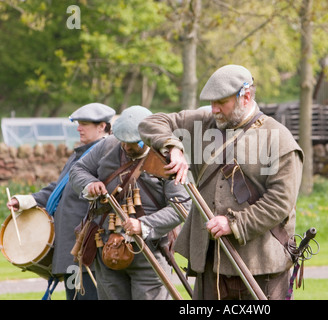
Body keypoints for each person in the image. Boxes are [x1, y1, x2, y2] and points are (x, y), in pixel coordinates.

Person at [138, 64, 304, 300]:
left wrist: (234, 224)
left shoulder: (278, 138)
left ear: (245, 96)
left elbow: (280, 201)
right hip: (209, 262)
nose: (214, 109)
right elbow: (150, 123)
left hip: (261, 266)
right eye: (211, 102)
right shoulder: (202, 123)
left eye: (221, 102)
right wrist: (172, 146)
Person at [69, 105, 189, 300]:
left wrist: (144, 225)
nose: (125, 147)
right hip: (107, 246)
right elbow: (77, 170)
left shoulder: (168, 157)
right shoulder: (107, 146)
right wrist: (89, 183)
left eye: (132, 142)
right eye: (123, 141)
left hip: (151, 249)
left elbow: (182, 205)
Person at [7, 102, 115, 300]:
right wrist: (25, 200)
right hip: (72, 248)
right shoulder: (81, 154)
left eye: (84, 124)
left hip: (89, 248)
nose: (78, 128)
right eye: (78, 123)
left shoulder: (107, 155)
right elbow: (59, 190)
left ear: (102, 126)